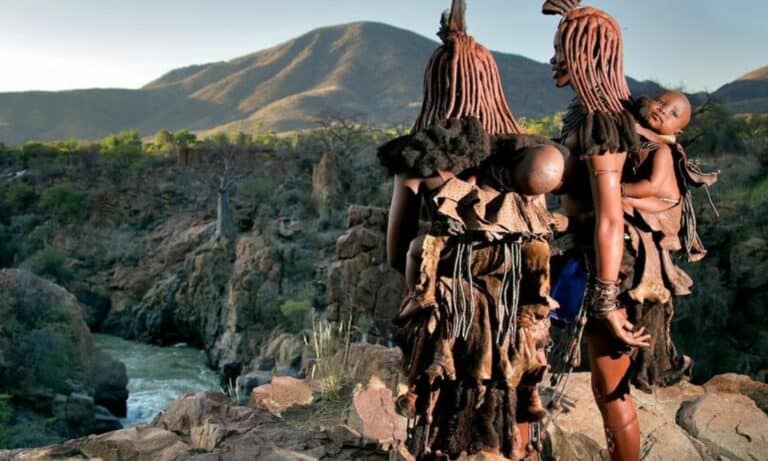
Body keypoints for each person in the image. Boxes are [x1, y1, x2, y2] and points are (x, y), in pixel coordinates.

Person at [382, 1, 566, 458]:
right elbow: (540, 238)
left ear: (436, 87)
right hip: (512, 312)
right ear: (491, 83)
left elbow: (396, 250)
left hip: (447, 310)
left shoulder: (420, 161)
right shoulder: (524, 158)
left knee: (441, 405)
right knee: (513, 397)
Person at [542, 1, 650, 460]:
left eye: (561, 51)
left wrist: (606, 302)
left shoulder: (601, 124)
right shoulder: (590, 115)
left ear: (585, 56)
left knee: (612, 391)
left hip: (606, 269)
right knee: (605, 388)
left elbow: (610, 216)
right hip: (582, 259)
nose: (553, 61)